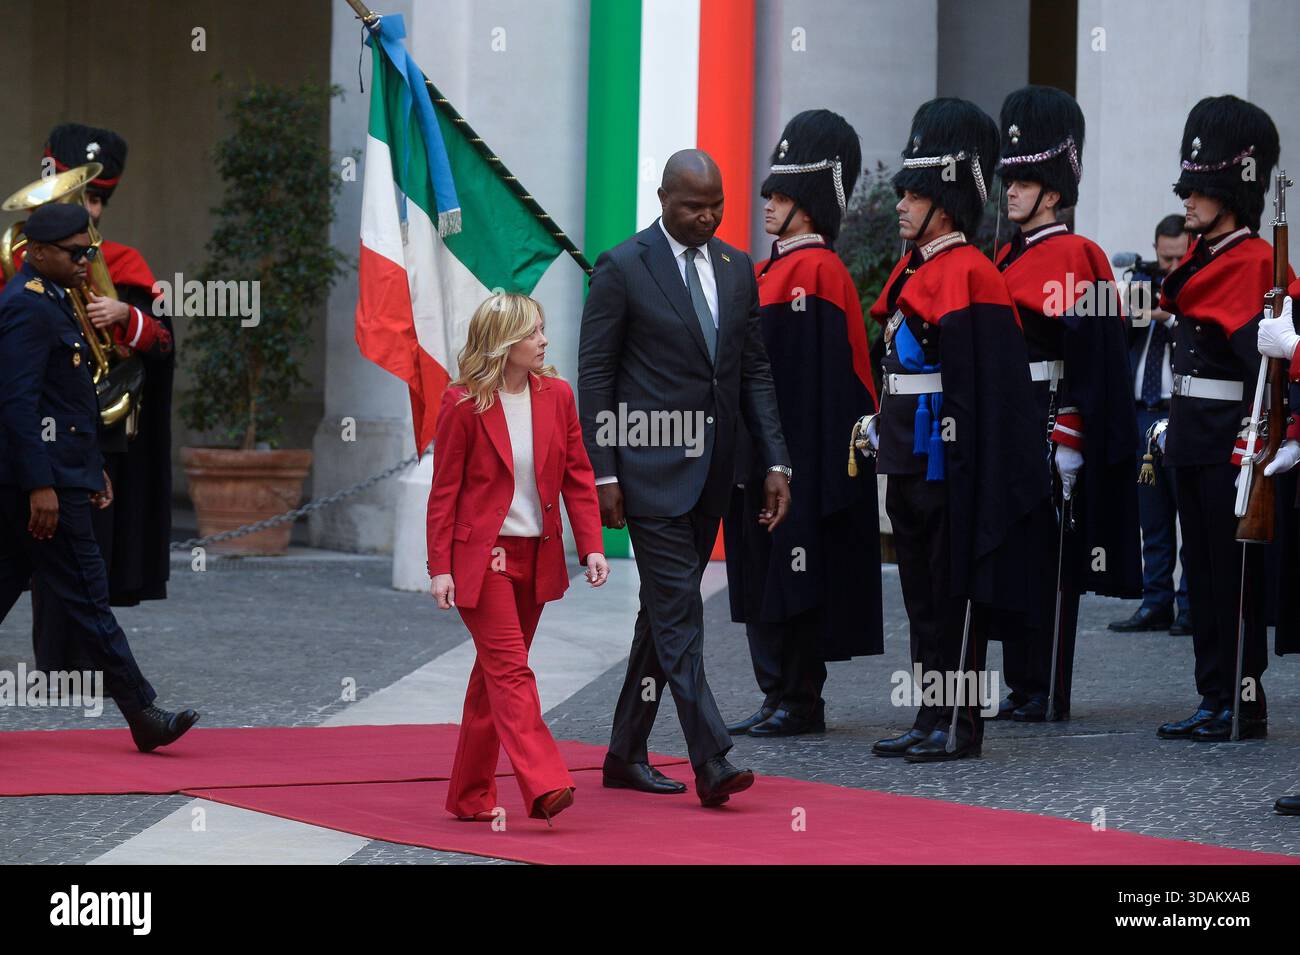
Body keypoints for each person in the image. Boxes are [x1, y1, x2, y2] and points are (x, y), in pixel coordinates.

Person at [578, 149, 791, 806]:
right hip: (646, 470)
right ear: (665, 198)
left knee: (660, 617)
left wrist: (776, 461)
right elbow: (596, 377)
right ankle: (713, 757)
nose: (706, 217)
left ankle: (622, 749)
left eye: (716, 206)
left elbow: (752, 370)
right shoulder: (622, 267)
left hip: (715, 471)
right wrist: (605, 471)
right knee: (681, 614)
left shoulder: (735, 269)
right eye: (693, 205)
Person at [862, 98, 1046, 761]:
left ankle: (959, 724)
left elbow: (982, 392)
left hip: (947, 463)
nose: (903, 205)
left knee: (953, 595)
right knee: (920, 599)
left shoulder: (971, 271)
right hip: (908, 456)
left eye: (914, 194)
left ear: (945, 203)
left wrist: (963, 463)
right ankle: (927, 713)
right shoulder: (916, 269)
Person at [0, 202, 197, 752]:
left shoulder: (58, 301)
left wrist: (91, 472)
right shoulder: (27, 307)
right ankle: (143, 712)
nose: (86, 260)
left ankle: (142, 713)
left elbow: (67, 406)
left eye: (88, 250)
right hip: (41, 488)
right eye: (73, 253)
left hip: (58, 477)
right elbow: (17, 406)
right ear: (36, 253)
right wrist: (43, 485)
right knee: (89, 596)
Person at [724, 109, 883, 738]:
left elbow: (816, 392)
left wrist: (787, 465)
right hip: (759, 455)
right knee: (762, 578)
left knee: (793, 575)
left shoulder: (817, 272)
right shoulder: (766, 271)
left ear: (811, 203)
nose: (768, 204)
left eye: (784, 195)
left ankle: (799, 698)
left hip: (794, 460)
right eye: (770, 192)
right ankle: (776, 693)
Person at [427, 292, 608, 825]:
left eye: (542, 330)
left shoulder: (556, 395)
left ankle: (469, 795)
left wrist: (592, 544)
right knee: (511, 672)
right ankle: (546, 781)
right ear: (505, 343)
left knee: (491, 679)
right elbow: (444, 491)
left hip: (539, 554)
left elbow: (577, 472)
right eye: (533, 332)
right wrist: (440, 567)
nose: (544, 340)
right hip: (484, 558)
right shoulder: (463, 403)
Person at [992, 85, 1141, 722]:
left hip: (1051, 419)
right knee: (1018, 554)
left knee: (1054, 563)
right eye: (1009, 178)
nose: (1012, 190)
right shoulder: (1004, 254)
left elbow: (1094, 359)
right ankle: (1021, 682)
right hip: (1010, 416)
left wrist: (1071, 436)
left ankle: (1046, 685)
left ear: (1054, 189)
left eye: (1025, 180)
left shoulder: (1079, 255)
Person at [1155, 94, 1279, 743]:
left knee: (1233, 583)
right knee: (1200, 577)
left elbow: (1266, 372)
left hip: (1228, 444)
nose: (1189, 199)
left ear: (1233, 190)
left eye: (1203, 189)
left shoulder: (1254, 260)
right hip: (1191, 437)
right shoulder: (1207, 259)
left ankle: (1242, 700)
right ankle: (1214, 695)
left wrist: (1254, 445)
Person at [30, 124, 174, 673]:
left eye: (95, 198)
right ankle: (59, 664)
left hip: (103, 431)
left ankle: (89, 665)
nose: (88, 209)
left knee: (90, 552)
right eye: (78, 196)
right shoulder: (27, 261)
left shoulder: (124, 261)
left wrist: (128, 317)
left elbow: (163, 341)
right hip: (37, 426)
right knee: (38, 548)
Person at [1110, 214, 1193, 635]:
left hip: (1183, 413)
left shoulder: (1198, 284)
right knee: (1152, 516)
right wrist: (1129, 305)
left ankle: (1190, 607)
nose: (1172, 268)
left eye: (1180, 259)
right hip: (1144, 412)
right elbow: (1117, 337)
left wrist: (1167, 315)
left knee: (1190, 514)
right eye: (1165, 259)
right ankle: (1155, 600)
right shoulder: (1146, 282)